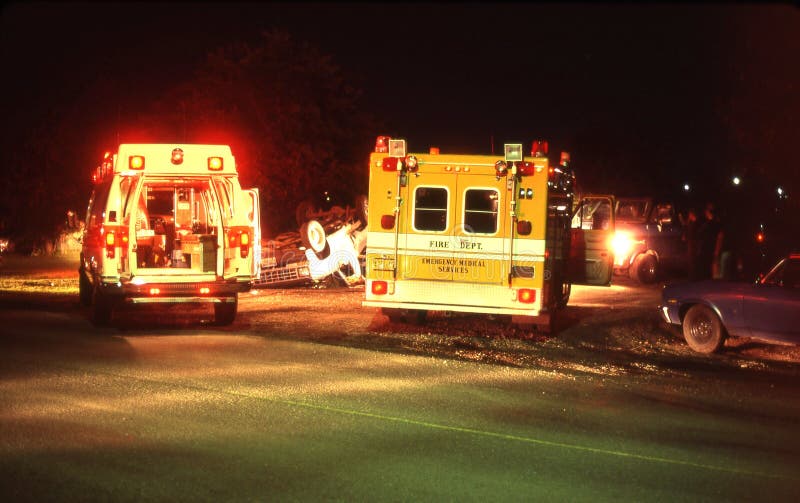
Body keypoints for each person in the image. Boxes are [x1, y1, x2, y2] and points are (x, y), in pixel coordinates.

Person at [695, 202, 724, 280]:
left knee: (711, 273)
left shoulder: (715, 224)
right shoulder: (706, 224)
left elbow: (720, 237)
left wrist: (716, 252)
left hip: (711, 252)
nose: (706, 212)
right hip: (705, 252)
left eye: (708, 210)